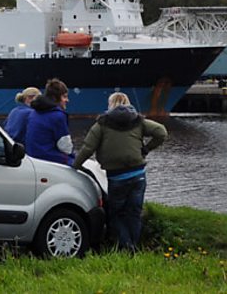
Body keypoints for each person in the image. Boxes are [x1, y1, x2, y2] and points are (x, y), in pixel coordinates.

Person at [74, 92, 167, 251]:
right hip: (138, 175)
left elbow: (88, 148)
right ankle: (134, 245)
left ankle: (126, 246)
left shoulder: (102, 123)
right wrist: (146, 149)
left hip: (116, 177)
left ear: (110, 105)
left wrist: (75, 166)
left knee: (116, 214)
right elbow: (161, 133)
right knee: (134, 213)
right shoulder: (138, 121)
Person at [25, 78, 73, 165]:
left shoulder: (34, 113)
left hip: (32, 155)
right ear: (55, 98)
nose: (67, 100)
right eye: (64, 96)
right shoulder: (58, 116)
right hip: (46, 157)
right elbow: (66, 148)